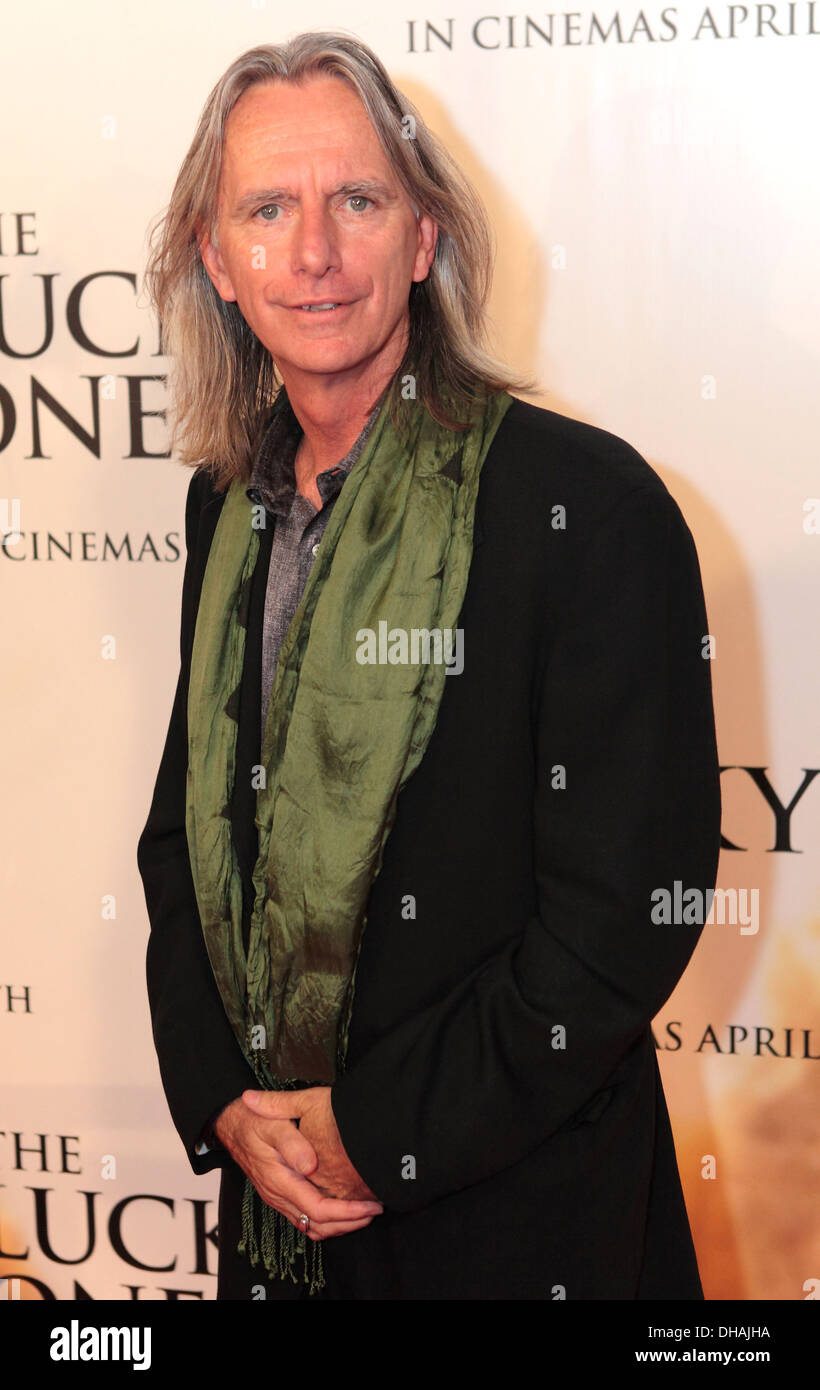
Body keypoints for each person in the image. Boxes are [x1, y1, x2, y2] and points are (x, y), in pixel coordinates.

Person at [137, 31, 721, 1301]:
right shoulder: (223, 508)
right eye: (266, 210)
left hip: (515, 1229)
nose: (313, 254)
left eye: (356, 199)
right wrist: (227, 1102)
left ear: (424, 237)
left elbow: (621, 918)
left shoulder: (585, 509)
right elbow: (184, 842)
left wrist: (368, 1130)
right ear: (217, 264)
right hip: (275, 1226)